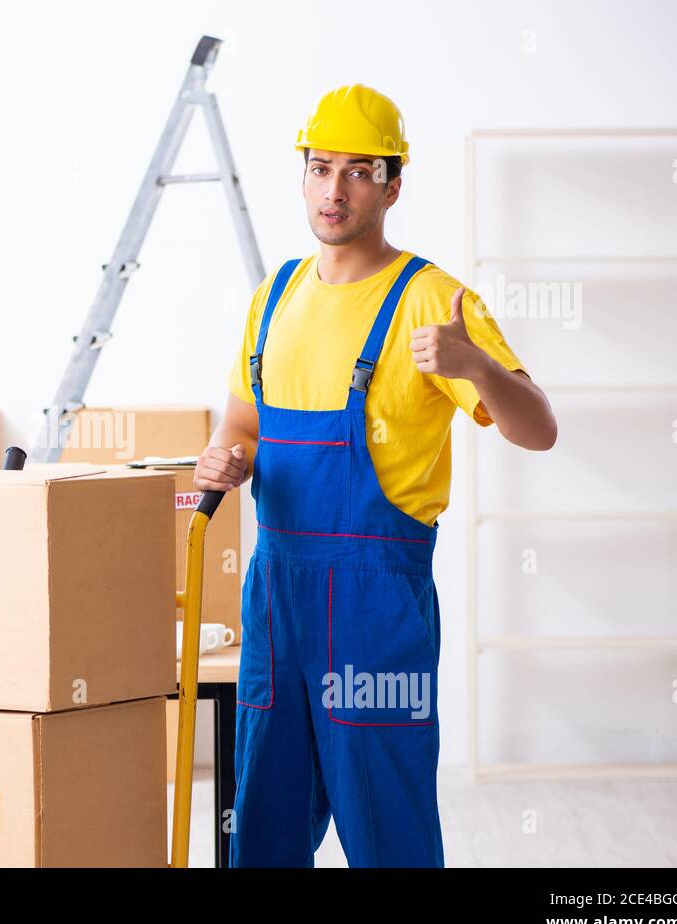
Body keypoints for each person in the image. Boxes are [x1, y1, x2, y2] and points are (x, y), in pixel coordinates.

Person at [194, 83, 557, 867]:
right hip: (276, 601)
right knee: (261, 826)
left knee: (388, 830)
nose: (334, 189)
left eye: (359, 171)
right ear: (302, 176)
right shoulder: (274, 297)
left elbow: (540, 429)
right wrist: (222, 458)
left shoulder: (435, 300)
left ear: (394, 184)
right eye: (321, 167)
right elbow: (242, 425)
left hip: (375, 611)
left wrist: (477, 367)